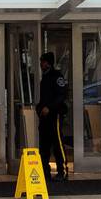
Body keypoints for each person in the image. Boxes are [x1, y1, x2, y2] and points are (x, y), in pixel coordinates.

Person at [36, 51, 68, 182]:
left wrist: (49, 107)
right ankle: (45, 171)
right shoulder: (44, 78)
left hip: (55, 116)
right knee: (44, 145)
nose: (41, 64)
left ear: (48, 63)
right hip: (44, 117)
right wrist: (40, 109)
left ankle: (62, 171)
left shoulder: (57, 76)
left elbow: (61, 96)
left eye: (42, 62)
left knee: (57, 143)